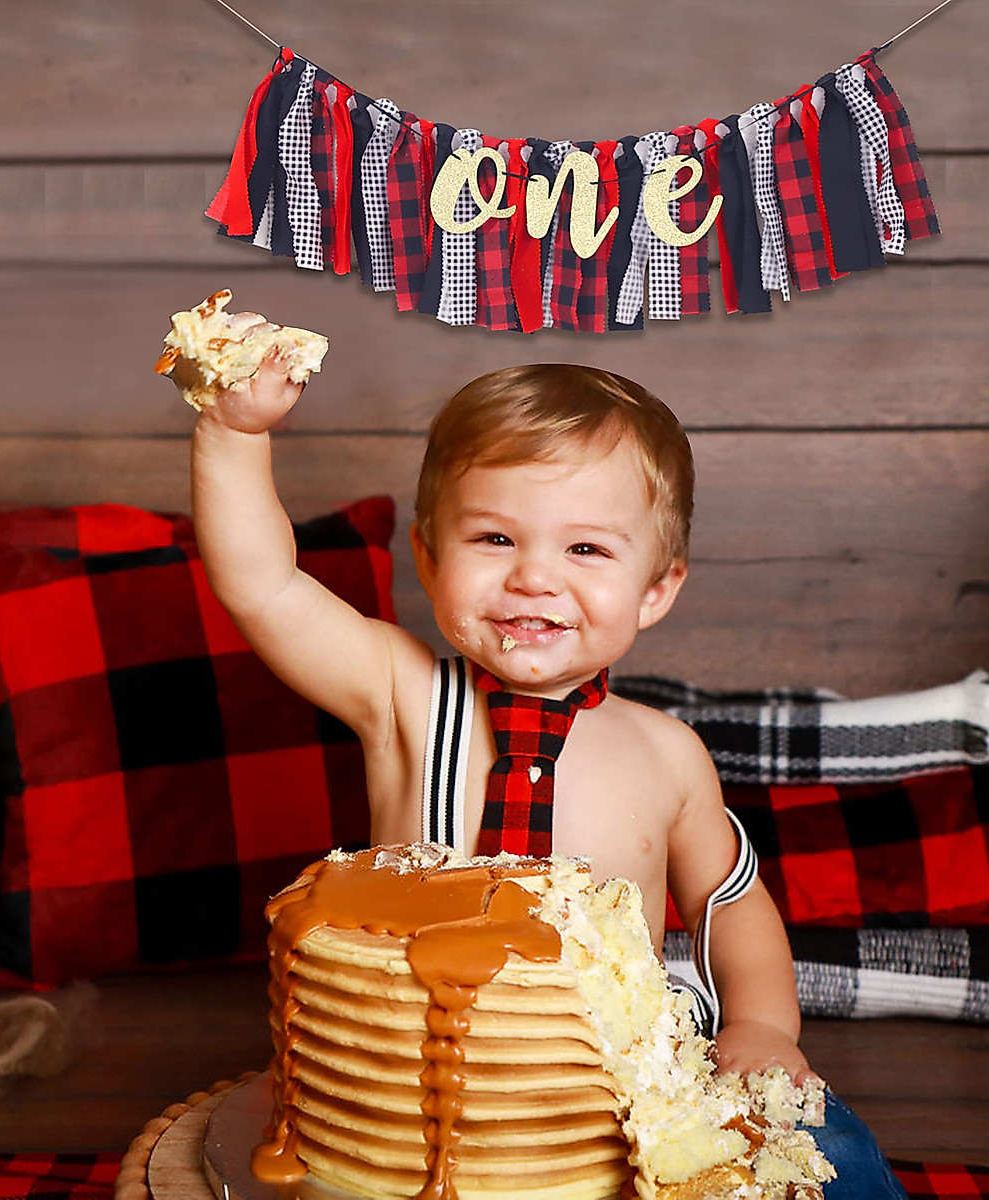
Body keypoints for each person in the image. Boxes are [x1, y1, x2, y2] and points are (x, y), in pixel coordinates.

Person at [191, 346, 906, 1199]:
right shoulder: (402, 696)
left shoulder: (663, 751)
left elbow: (729, 900)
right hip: (414, 1093)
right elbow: (263, 585)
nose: (534, 575)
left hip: (613, 1102)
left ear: (656, 589)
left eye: (587, 550)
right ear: (427, 559)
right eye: (494, 538)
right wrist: (232, 433)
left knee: (836, 1158)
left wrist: (759, 1026)